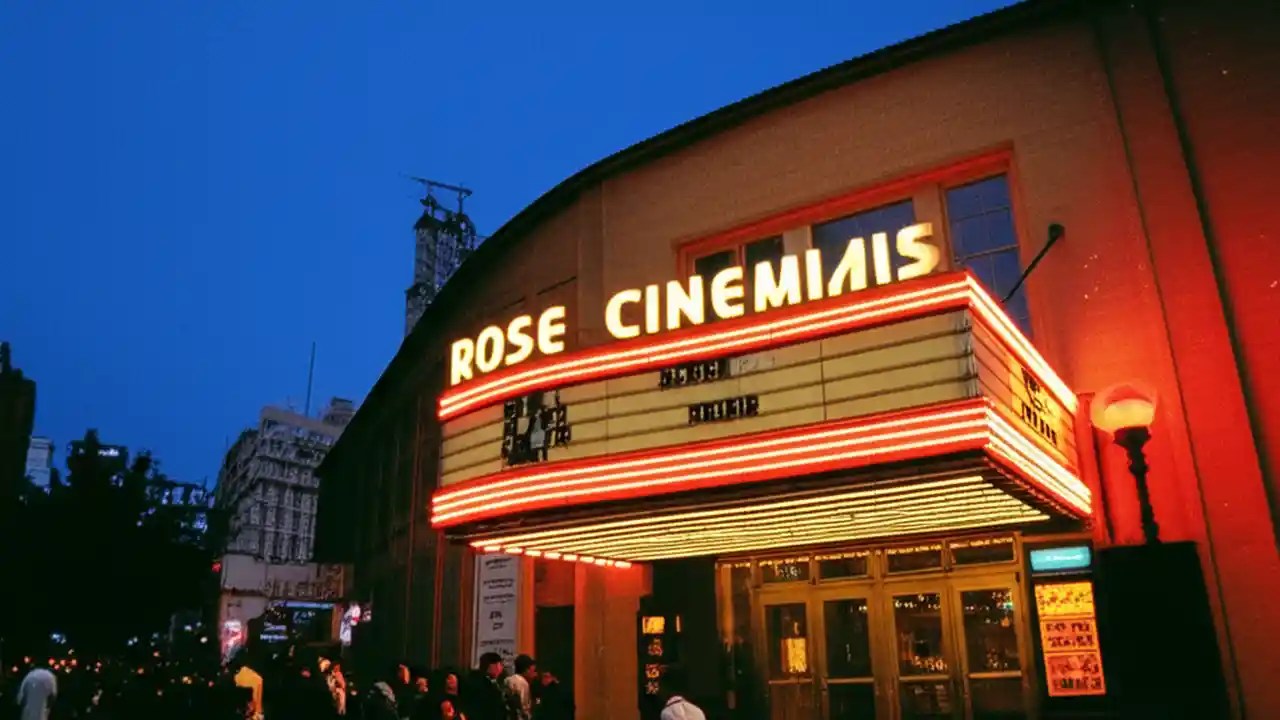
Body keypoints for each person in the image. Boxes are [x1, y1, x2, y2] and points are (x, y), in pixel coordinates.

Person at [464, 653, 507, 720]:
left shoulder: (488, 681)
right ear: (491, 665)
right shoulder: (481, 683)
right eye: (500, 664)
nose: (501, 668)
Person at [503, 655, 536, 720]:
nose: (535, 673)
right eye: (533, 670)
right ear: (527, 670)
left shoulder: (507, 679)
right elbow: (524, 708)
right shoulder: (522, 683)